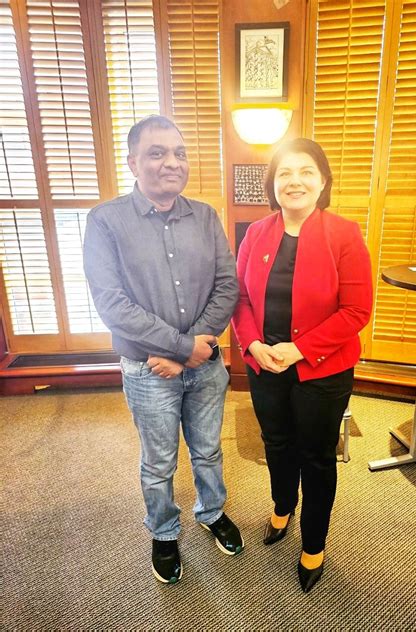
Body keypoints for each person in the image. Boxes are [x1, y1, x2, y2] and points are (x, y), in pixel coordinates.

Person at [83, 115, 243, 586]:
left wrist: (194, 349)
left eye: (179, 153)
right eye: (157, 153)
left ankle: (211, 512)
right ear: (133, 162)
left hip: (205, 366)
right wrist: (182, 347)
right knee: (158, 462)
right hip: (147, 371)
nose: (172, 162)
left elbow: (227, 286)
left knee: (208, 450)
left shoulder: (206, 216)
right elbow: (112, 304)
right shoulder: (106, 221)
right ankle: (164, 530)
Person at [231, 138, 373, 593]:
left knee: (315, 456)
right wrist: (252, 344)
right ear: (272, 183)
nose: (295, 181)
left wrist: (300, 349)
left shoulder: (344, 234)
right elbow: (239, 298)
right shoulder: (256, 233)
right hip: (265, 366)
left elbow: (356, 310)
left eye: (306, 171)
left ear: (323, 181)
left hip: (322, 370)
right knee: (276, 442)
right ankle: (281, 506)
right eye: (285, 173)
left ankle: (314, 543)